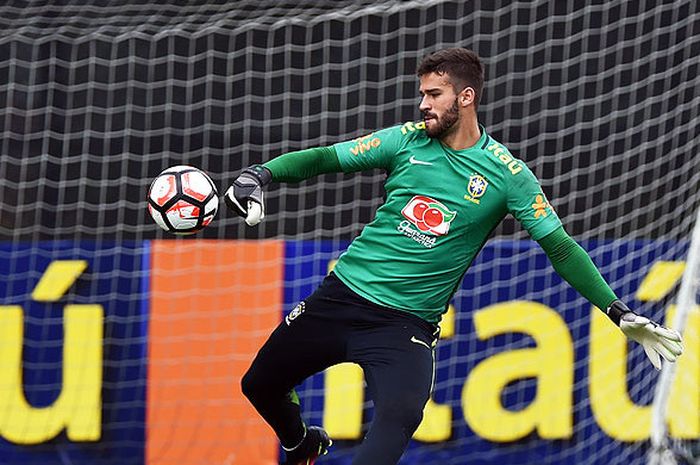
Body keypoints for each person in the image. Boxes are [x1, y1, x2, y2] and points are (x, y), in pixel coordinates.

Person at [225, 48, 683, 465]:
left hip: (404, 328)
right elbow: (327, 158)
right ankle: (301, 443)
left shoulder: (508, 175)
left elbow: (560, 247)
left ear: (465, 97)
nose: (423, 104)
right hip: (339, 298)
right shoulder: (404, 141)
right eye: (421, 94)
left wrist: (617, 311)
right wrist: (261, 174)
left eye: (433, 94)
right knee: (258, 386)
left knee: (390, 434)